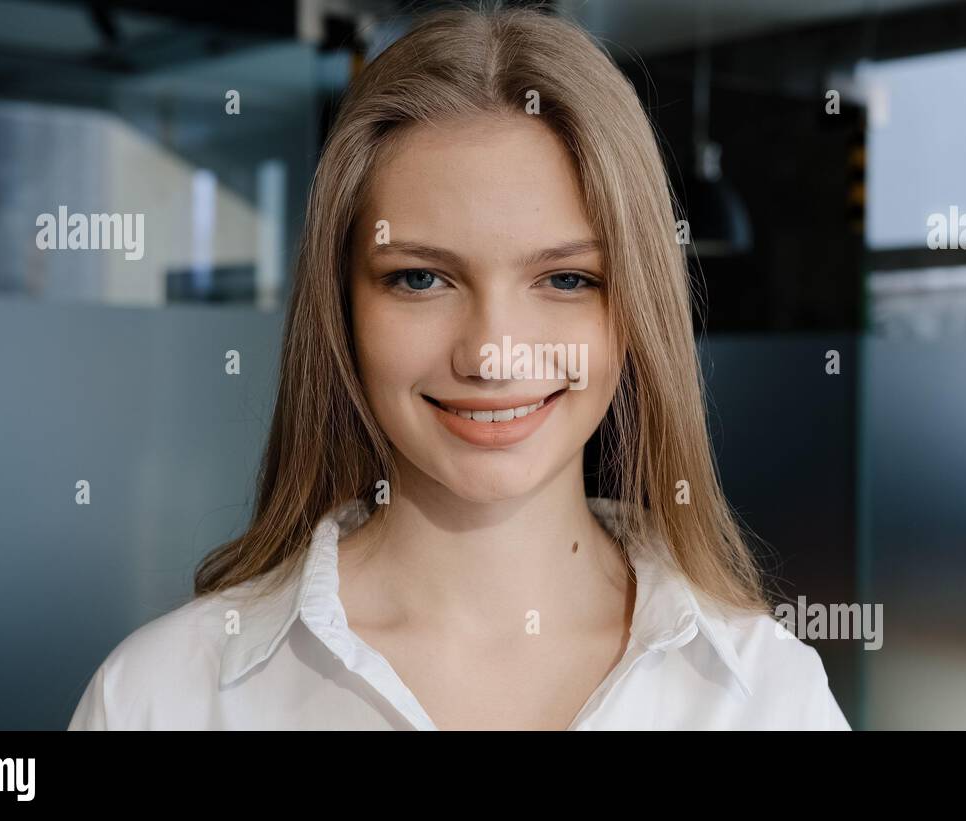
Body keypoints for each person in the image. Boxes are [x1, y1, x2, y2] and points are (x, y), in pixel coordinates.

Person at [69, 3, 850, 731]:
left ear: (635, 313)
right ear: (341, 308)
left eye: (566, 279)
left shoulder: (768, 699)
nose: (491, 353)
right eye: (421, 278)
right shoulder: (163, 696)